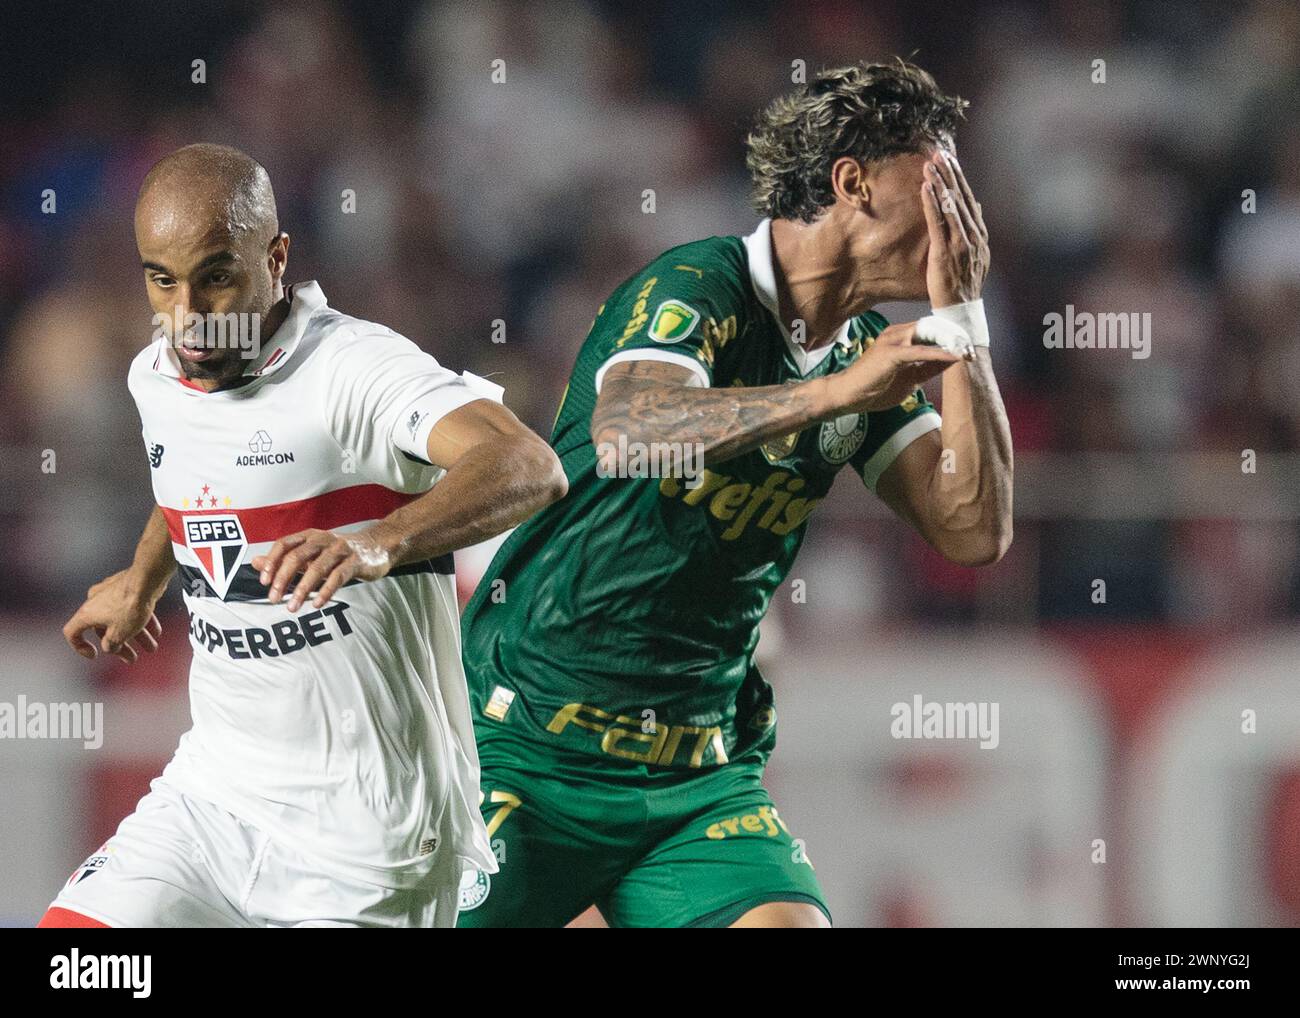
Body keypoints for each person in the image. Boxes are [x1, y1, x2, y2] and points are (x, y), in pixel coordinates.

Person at [457, 60, 1013, 928]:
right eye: (939, 179)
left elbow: (973, 528)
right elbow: (630, 430)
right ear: (853, 182)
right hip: (529, 750)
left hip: (698, 776)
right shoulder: (698, 286)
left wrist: (966, 319)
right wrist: (834, 394)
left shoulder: (865, 352)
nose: (963, 211)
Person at [42, 143, 567, 928]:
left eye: (217, 276)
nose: (187, 314)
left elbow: (528, 462)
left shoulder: (354, 371)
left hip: (371, 842)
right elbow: (196, 469)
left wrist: (378, 540)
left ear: (276, 256)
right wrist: (143, 577)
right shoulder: (158, 375)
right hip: (214, 802)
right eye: (162, 279)